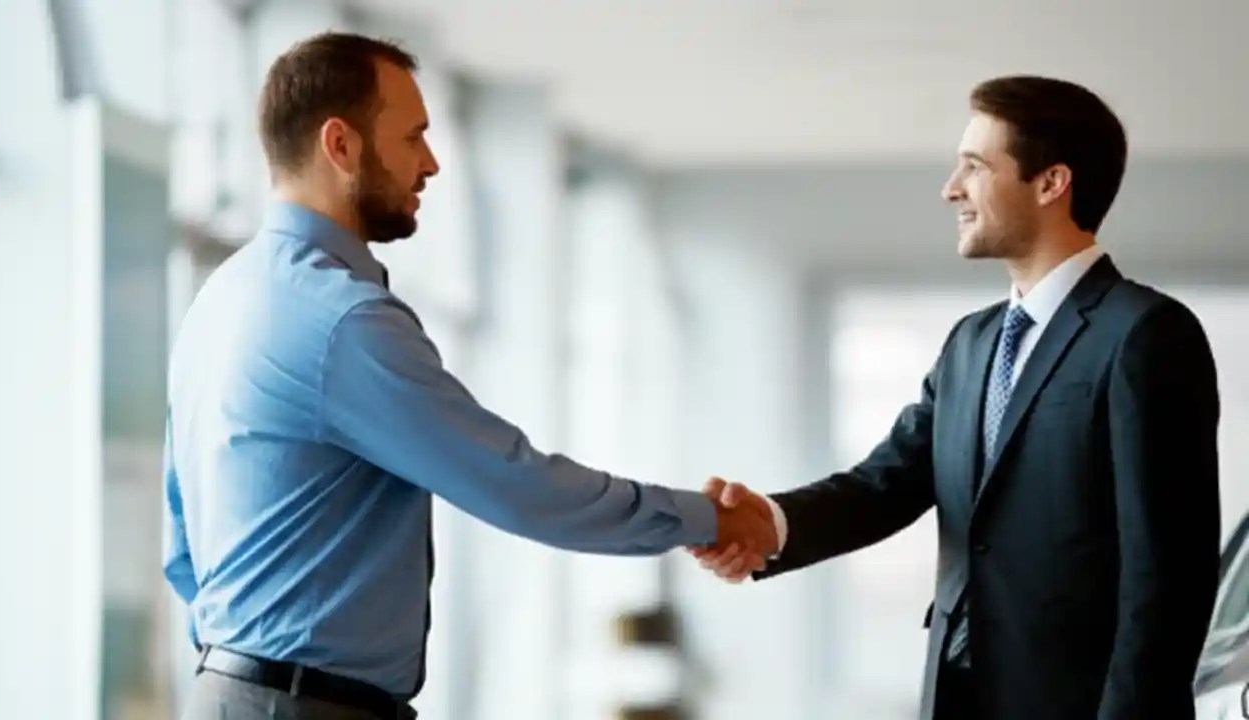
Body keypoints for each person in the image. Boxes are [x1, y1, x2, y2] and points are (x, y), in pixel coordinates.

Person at [163, 32, 776, 720]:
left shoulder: (219, 300)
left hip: (236, 694)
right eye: (413, 137)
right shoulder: (342, 321)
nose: (430, 165)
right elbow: (515, 484)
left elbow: (183, 545)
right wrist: (701, 517)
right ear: (341, 145)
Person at [691, 75, 1222, 720]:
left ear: (1051, 183)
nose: (951, 189)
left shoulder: (1143, 334)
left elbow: (1169, 575)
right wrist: (767, 523)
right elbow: (884, 485)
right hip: (957, 697)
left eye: (974, 166)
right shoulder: (970, 344)